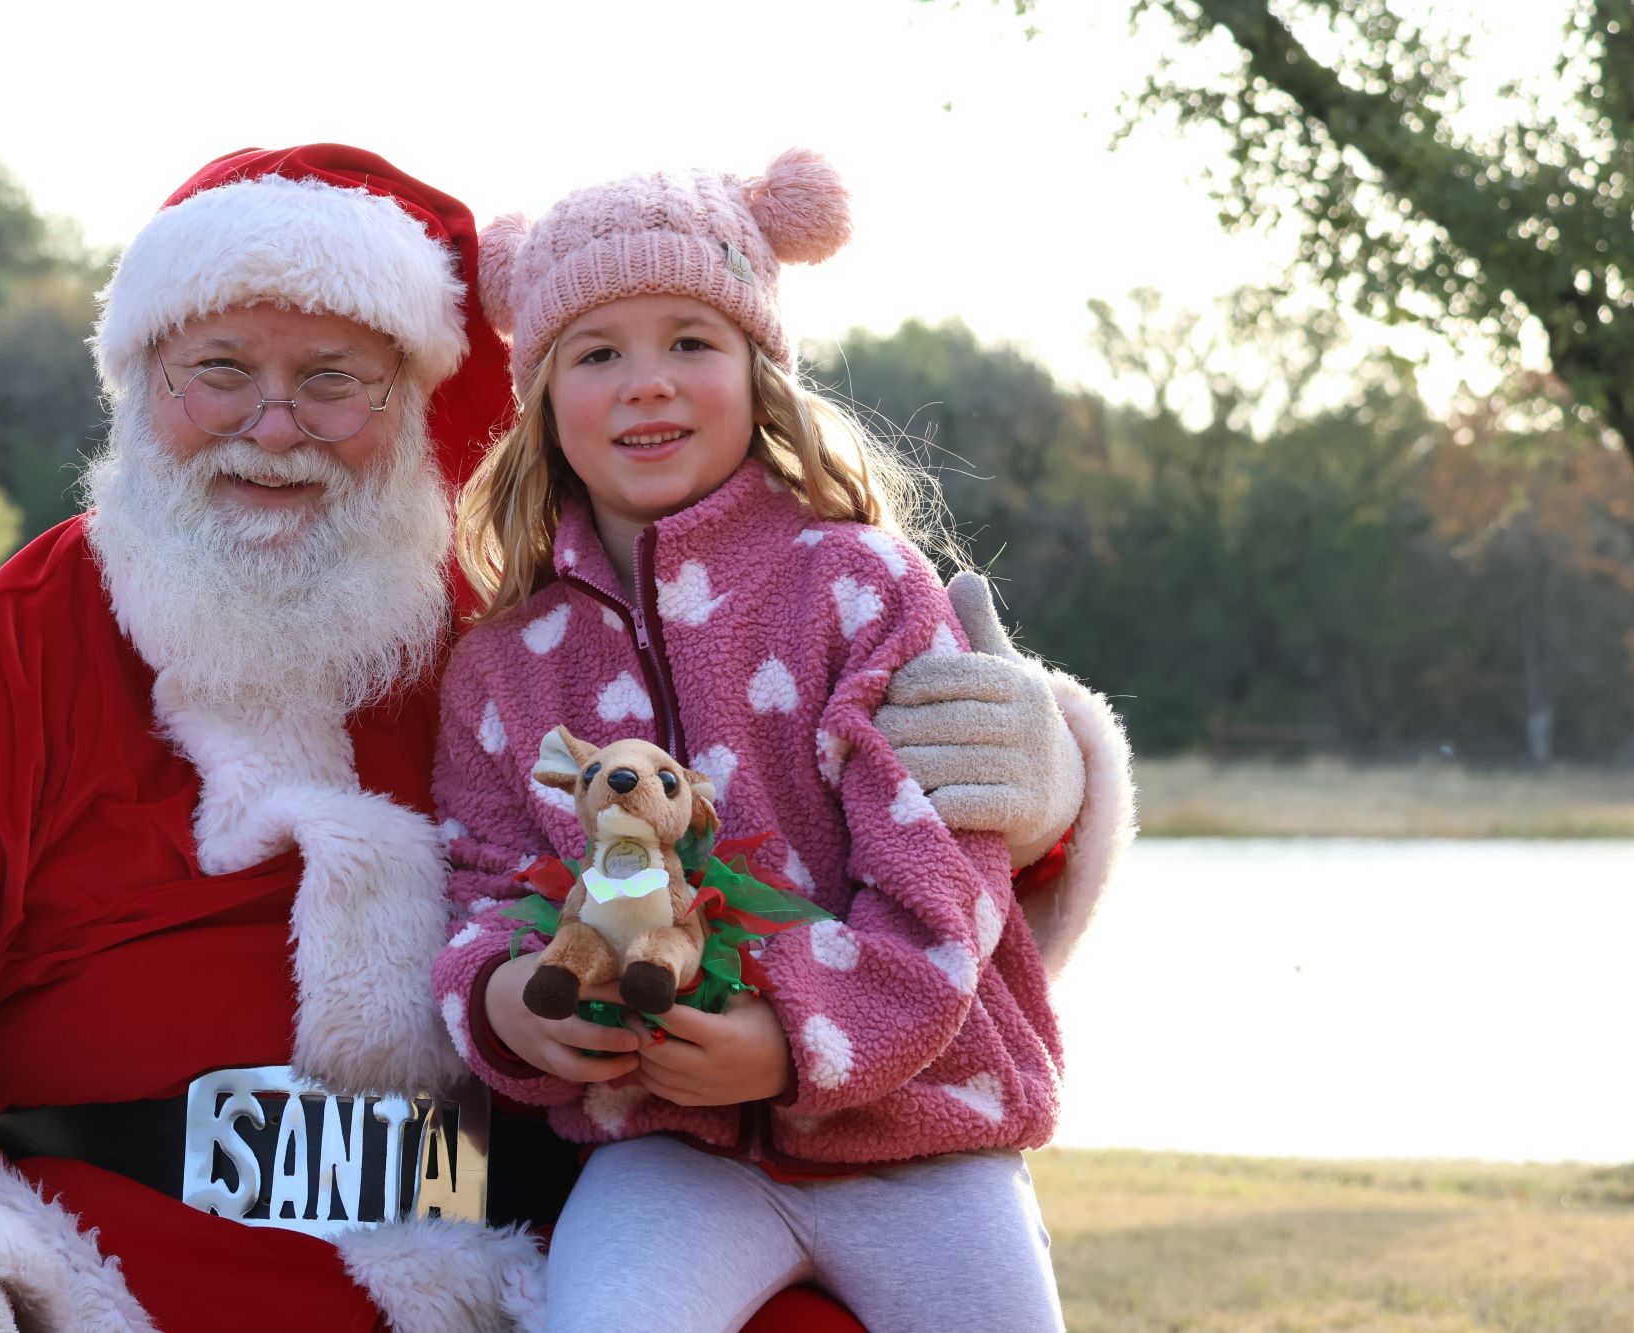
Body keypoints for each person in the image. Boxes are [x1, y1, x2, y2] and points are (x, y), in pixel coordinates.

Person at [0, 144, 1125, 1333]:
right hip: (106, 1262)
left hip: (513, 1253)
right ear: (142, 384)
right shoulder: (29, 639)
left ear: (416, 408)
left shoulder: (520, 633)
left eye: (334, 376)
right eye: (220, 368)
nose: (274, 427)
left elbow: (811, 832)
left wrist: (1046, 778)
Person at [430, 150, 1132, 1332]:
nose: (646, 383)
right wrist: (510, 1005)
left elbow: (941, 879)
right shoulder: (506, 661)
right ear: (543, 395)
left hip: (922, 1136)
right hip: (668, 1153)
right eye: (598, 352)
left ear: (759, 370)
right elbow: (481, 886)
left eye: (689, 341)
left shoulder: (858, 589)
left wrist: (786, 1035)